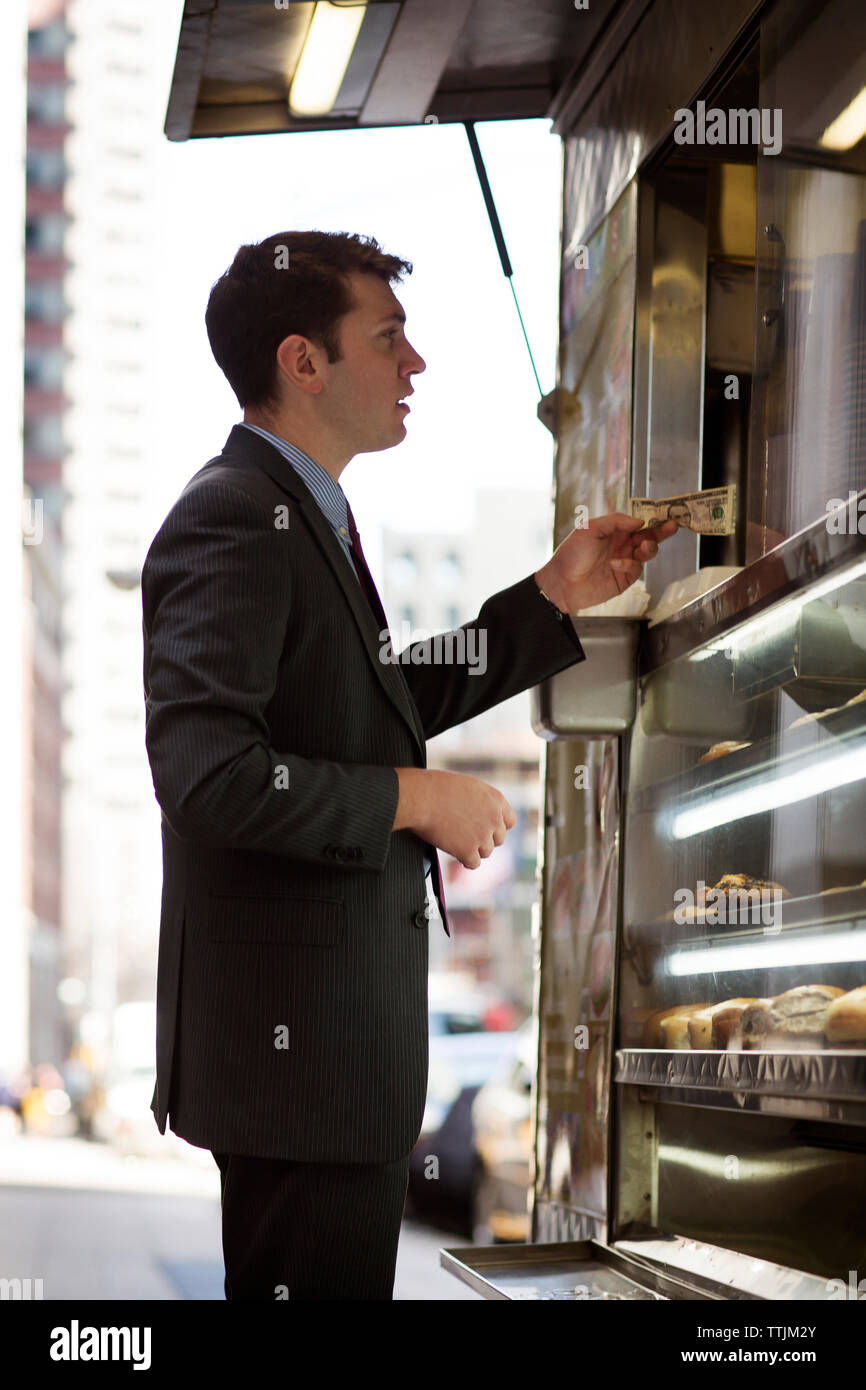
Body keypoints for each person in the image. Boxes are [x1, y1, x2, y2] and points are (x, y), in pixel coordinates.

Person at [140, 230, 676, 1301]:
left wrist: (550, 597)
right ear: (303, 361)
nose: (415, 363)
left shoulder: (307, 515)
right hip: (302, 1068)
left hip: (327, 1065)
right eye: (387, 338)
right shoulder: (236, 514)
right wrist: (412, 797)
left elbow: (374, 704)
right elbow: (205, 773)